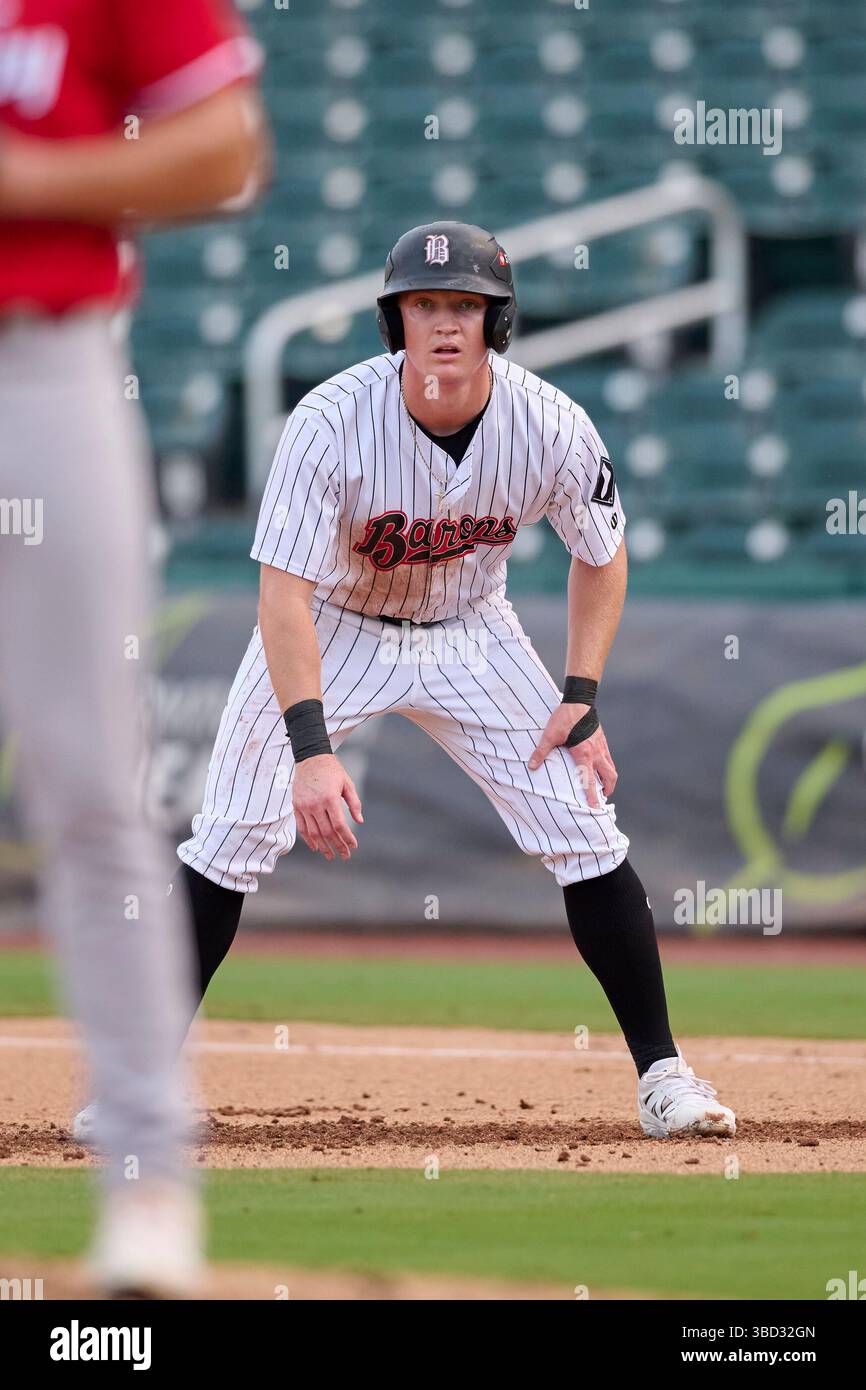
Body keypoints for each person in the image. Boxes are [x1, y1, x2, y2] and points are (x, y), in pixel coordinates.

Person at [90, 219, 735, 1145]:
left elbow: (603, 554)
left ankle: (664, 1076)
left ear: (495, 323)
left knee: (584, 829)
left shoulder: (549, 423)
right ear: (395, 322)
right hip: (337, 626)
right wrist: (310, 751)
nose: (444, 323)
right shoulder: (327, 422)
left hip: (475, 634)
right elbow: (283, 599)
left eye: (464, 305)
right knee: (230, 833)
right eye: (423, 304)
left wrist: (582, 692)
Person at [0, 0, 268, 1296]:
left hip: (39, 368)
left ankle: (147, 1183)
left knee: (92, 785)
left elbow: (222, 146)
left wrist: (31, 176)